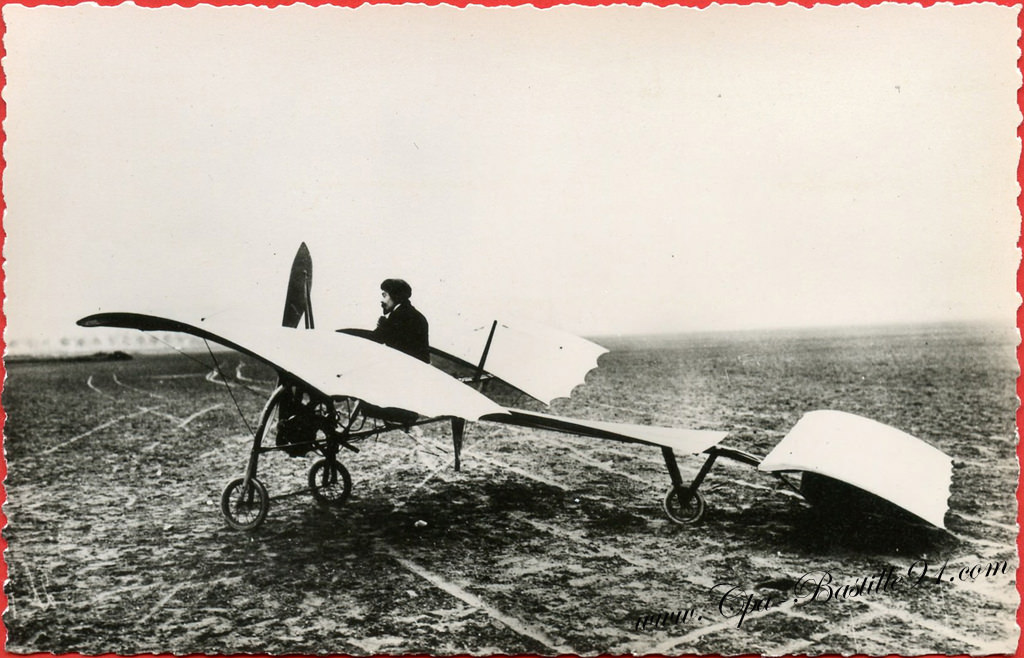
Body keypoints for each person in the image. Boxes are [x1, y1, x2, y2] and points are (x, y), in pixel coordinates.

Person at [371, 278, 430, 363]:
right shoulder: (411, 314)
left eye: (385, 295)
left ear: (395, 295)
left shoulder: (401, 316)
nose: (382, 300)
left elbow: (377, 339)